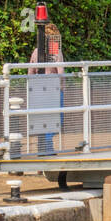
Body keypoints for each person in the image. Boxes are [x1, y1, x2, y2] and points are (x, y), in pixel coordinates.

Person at [27, 24, 67, 154]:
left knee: (42, 119)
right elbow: (60, 73)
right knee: (56, 119)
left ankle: (42, 148)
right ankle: (48, 148)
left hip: (38, 89)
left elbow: (30, 72)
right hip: (53, 90)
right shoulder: (56, 51)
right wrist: (62, 88)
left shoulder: (36, 51)